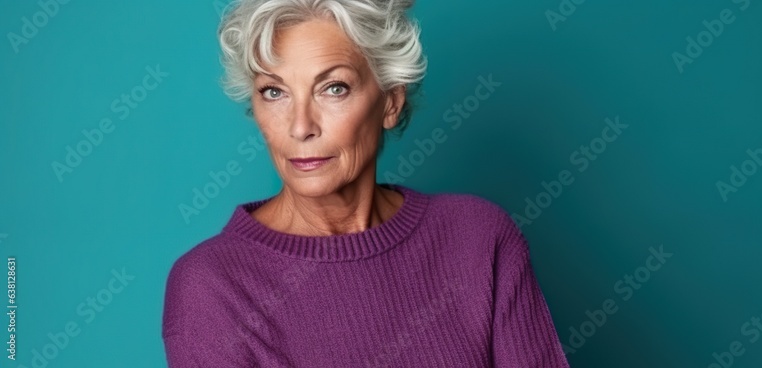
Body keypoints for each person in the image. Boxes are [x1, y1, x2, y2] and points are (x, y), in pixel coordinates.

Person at [161, 0, 570, 366]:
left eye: (333, 88)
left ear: (391, 101)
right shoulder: (211, 287)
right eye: (274, 92)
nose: (301, 126)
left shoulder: (478, 238)